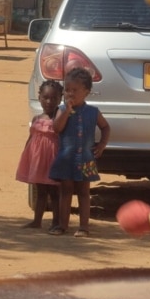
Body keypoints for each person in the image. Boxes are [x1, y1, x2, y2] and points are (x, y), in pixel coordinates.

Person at [47, 67, 109, 236]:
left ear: (86, 92)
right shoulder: (61, 110)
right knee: (65, 191)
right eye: (67, 90)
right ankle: (62, 225)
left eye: (75, 90)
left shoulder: (93, 112)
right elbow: (57, 128)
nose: (70, 94)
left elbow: (105, 127)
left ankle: (84, 227)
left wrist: (102, 144)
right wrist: (66, 111)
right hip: (67, 159)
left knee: (83, 192)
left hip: (86, 160)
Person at [16, 79, 65, 230]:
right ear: (39, 98)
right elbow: (31, 138)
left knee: (55, 192)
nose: (49, 101)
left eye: (54, 98)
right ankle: (37, 221)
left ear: (60, 99)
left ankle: (56, 222)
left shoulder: (59, 119)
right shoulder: (36, 119)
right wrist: (27, 156)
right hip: (38, 160)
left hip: (52, 159)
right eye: (46, 97)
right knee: (41, 191)